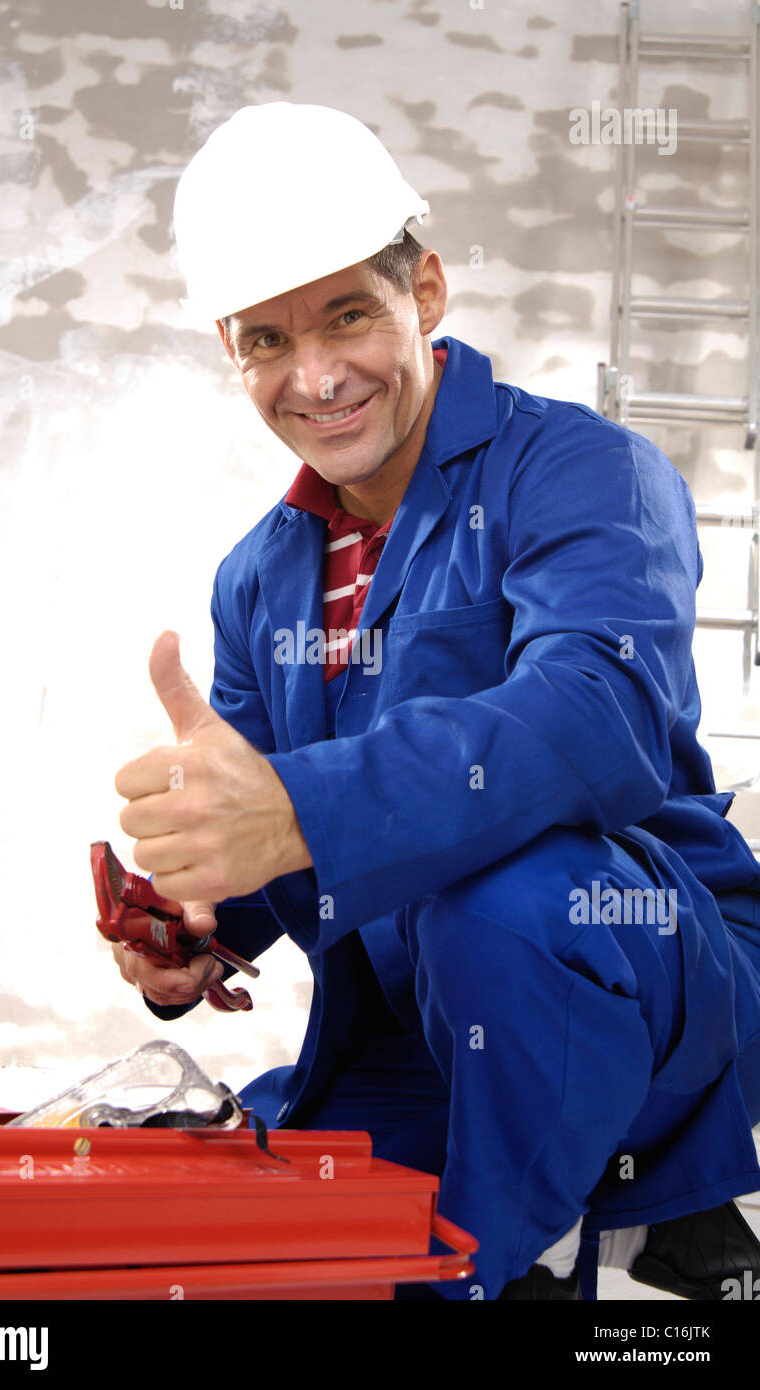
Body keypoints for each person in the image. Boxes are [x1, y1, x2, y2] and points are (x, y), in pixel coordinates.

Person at [110, 103, 760, 1300]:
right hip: (414, 1018)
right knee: (249, 1236)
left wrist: (297, 807)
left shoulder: (579, 470)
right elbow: (273, 838)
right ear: (232, 353)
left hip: (633, 971)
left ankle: (533, 1250)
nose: (314, 377)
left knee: (498, 893)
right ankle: (551, 1204)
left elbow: (592, 716)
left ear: (426, 292)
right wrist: (191, 917)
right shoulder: (258, 576)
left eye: (347, 314)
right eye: (265, 341)